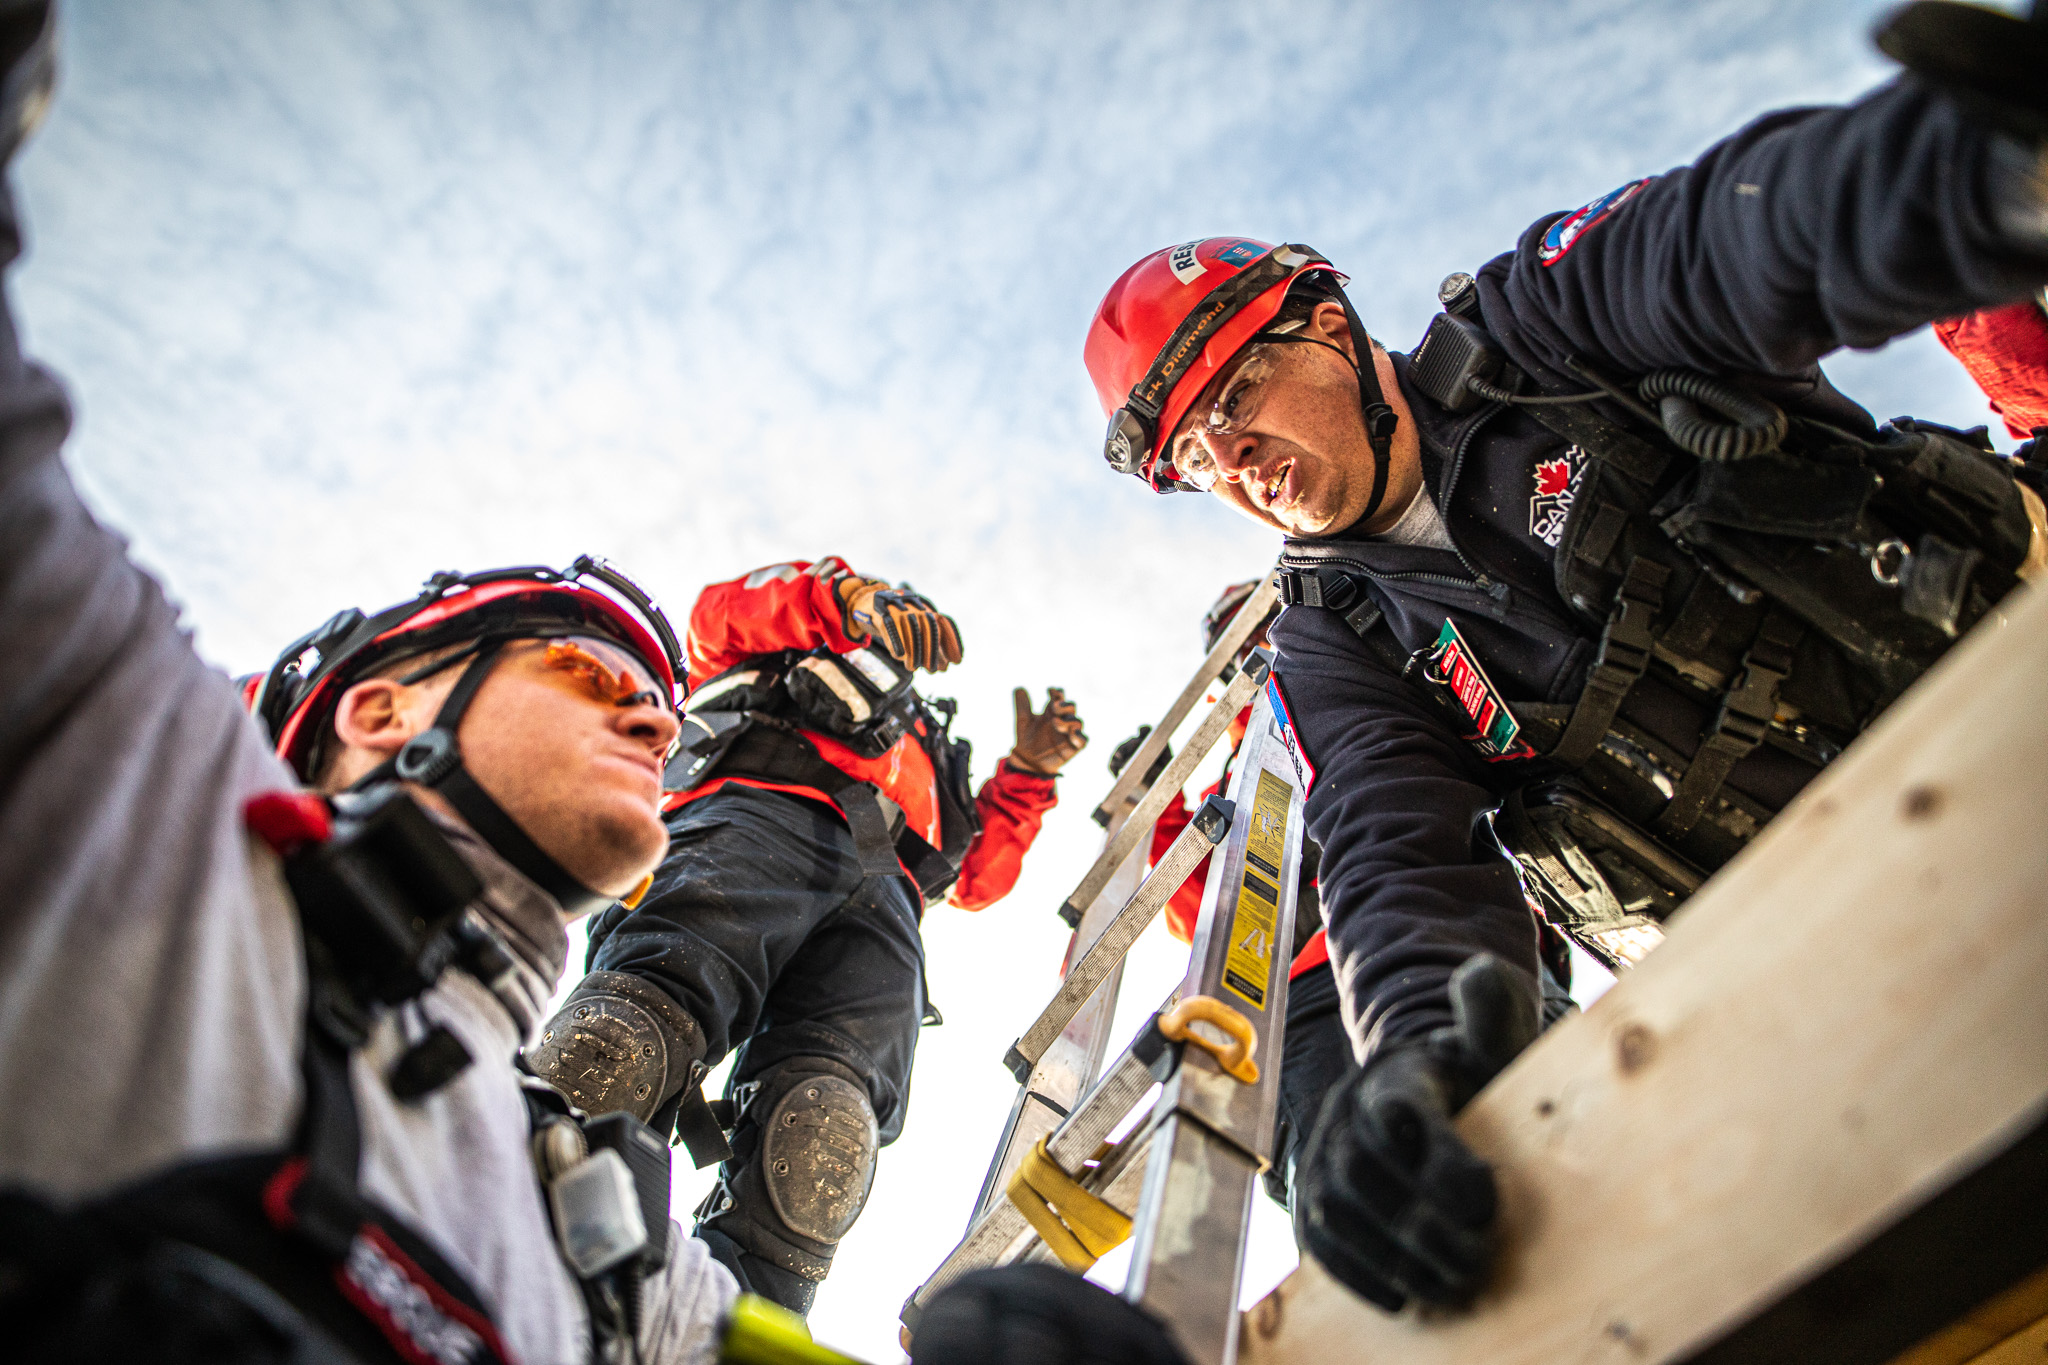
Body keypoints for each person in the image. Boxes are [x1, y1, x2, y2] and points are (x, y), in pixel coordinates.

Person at [1067, 6, 2048, 1322]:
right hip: (1830, 963)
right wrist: (1411, 1081)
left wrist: (1961, 173)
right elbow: (1390, 859)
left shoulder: (1546, 329)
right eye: (1194, 455)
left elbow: (1738, 239)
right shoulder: (1331, 641)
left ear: (1328, 321)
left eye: (1235, 399)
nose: (1232, 462)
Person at [0, 10, 737, 1358]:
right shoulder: (129, 770)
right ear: (380, 709)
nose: (649, 712)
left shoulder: (625, 1237)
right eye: (586, 668)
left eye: (667, 707)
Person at [531, 556, 1087, 1315]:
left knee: (823, 1130)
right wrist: (853, 600)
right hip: (754, 814)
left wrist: (1026, 771)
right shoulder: (787, 644)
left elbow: (978, 877)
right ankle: (510, 1229)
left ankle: (726, 1325)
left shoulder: (923, 750)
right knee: (627, 1033)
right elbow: (718, 614)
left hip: (887, 891)